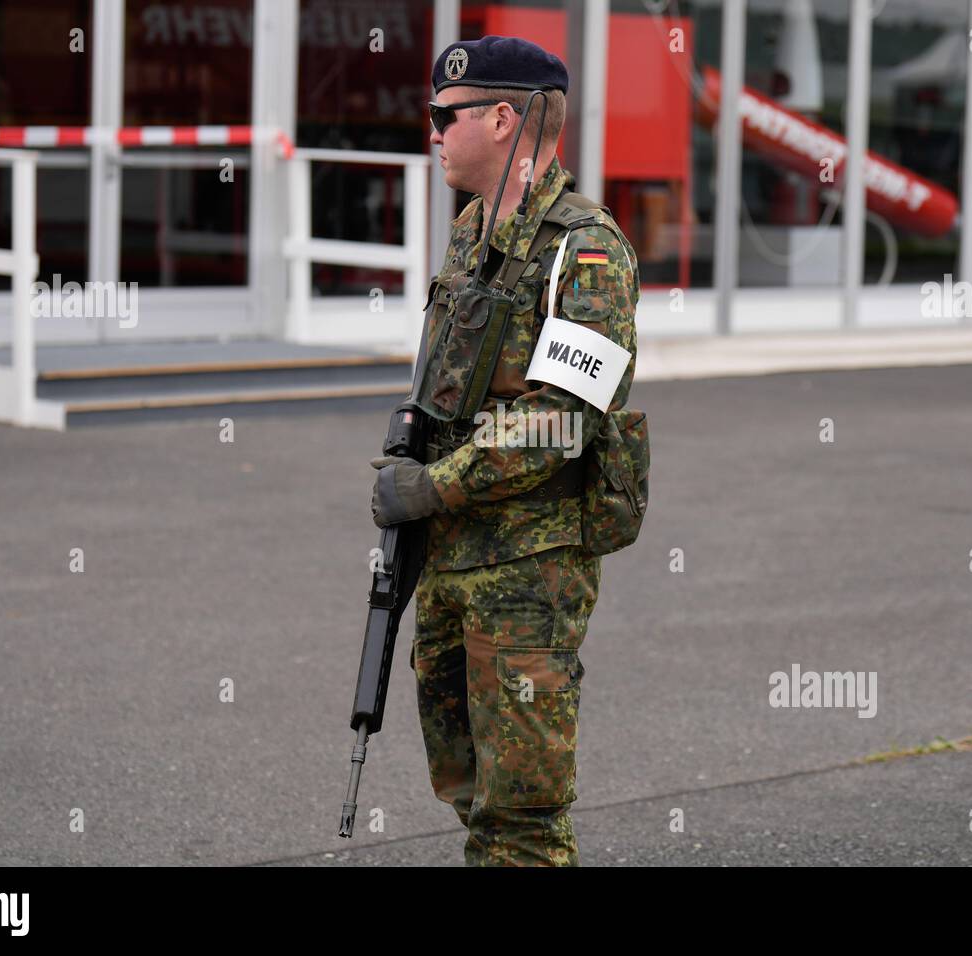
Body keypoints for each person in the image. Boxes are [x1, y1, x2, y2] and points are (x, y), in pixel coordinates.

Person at [369, 35, 640, 866]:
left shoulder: (584, 251)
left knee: (521, 820)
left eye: (445, 116)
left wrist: (434, 488)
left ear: (502, 119)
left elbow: (564, 422)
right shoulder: (469, 233)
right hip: (451, 559)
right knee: (467, 788)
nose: (434, 132)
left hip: (528, 571)